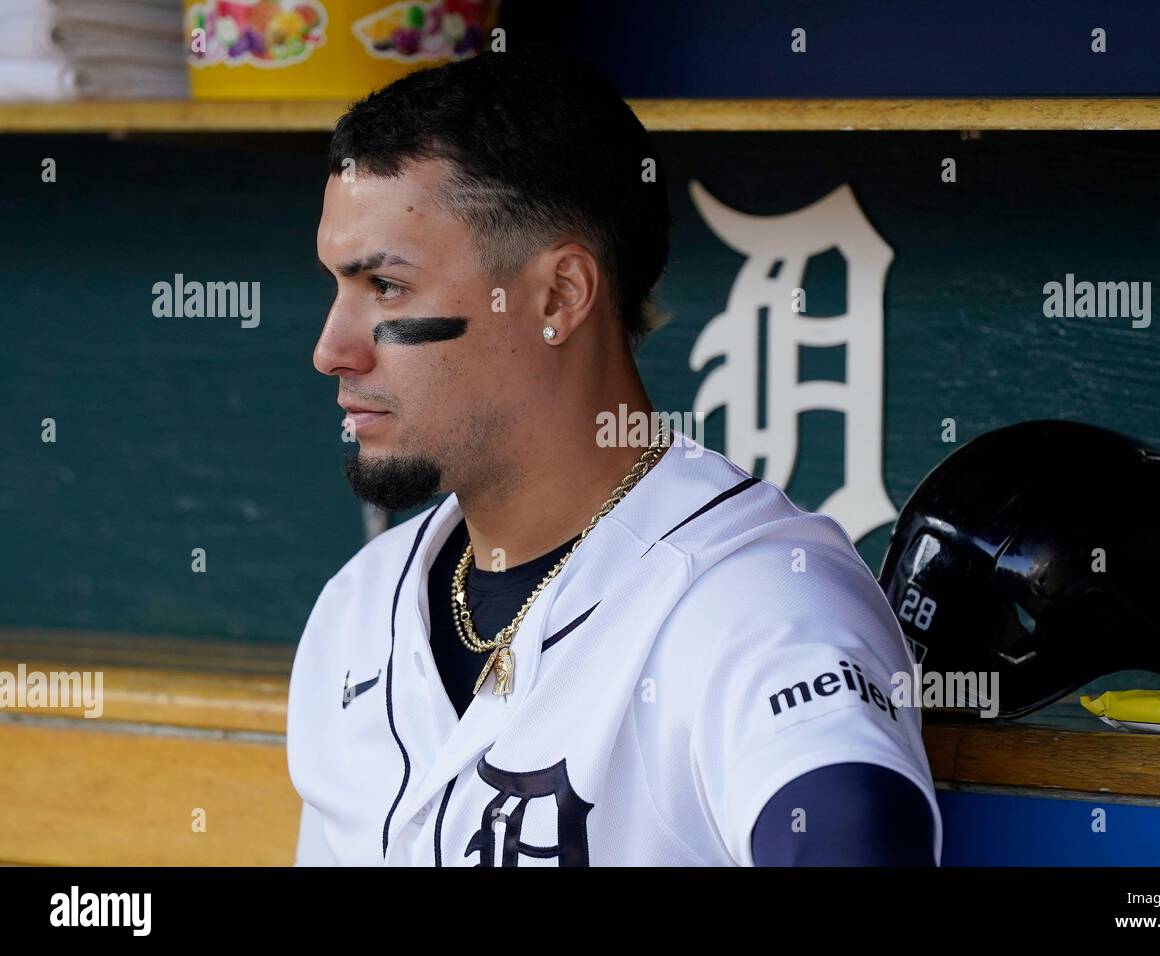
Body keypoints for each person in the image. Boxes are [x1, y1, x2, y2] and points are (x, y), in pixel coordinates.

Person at [288, 45, 940, 867]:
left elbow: (849, 827)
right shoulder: (359, 607)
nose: (332, 348)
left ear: (559, 296)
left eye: (385, 288)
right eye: (335, 286)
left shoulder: (754, 600)